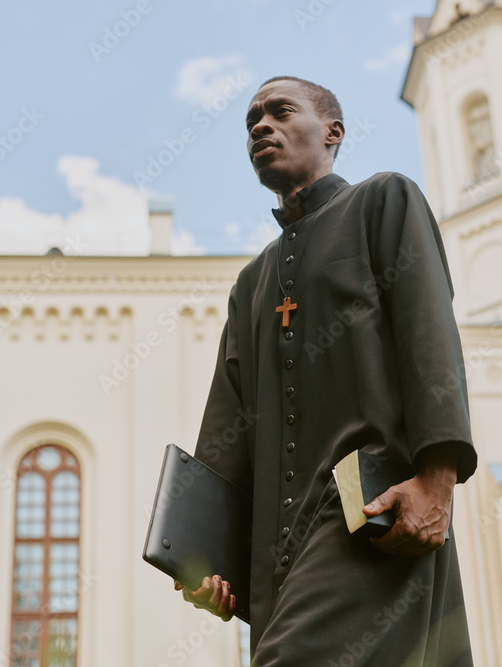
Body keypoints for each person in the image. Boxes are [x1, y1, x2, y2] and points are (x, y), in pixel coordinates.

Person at [174, 75, 478, 666]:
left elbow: (430, 338)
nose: (261, 125)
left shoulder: (384, 200)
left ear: (333, 132)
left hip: (372, 514)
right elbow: (227, 423)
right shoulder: (251, 284)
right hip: (274, 558)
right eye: (252, 121)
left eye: (280, 111)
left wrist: (436, 482)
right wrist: (208, 558)